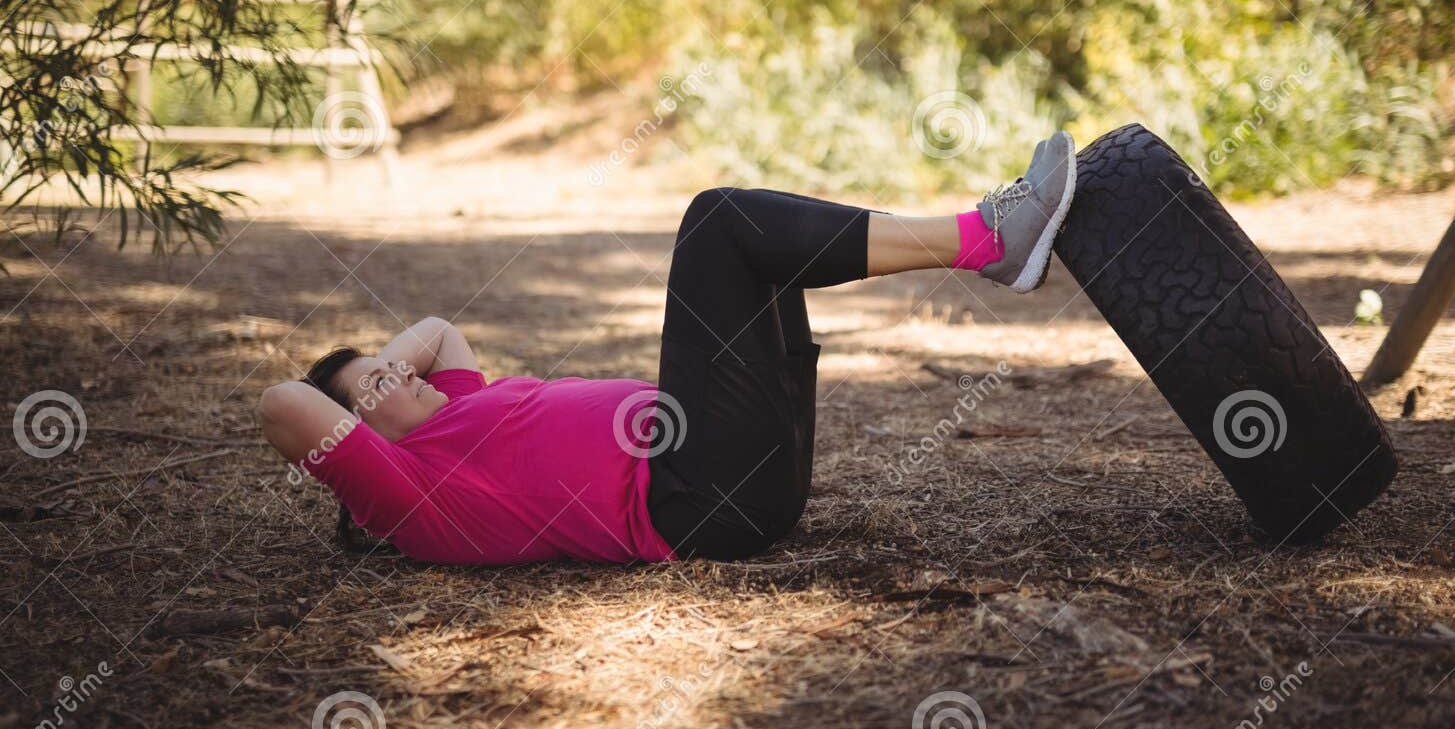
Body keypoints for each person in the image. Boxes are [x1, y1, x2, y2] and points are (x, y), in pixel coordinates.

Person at [258, 132, 1077, 565]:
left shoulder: (462, 402)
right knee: (718, 221)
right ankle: (987, 240)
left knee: (762, 246)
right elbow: (282, 405)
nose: (403, 368)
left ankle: (993, 239)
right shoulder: (412, 492)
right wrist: (357, 428)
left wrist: (384, 369)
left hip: (756, 473)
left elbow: (438, 328)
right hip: (701, 497)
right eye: (377, 381)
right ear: (360, 439)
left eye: (389, 362)